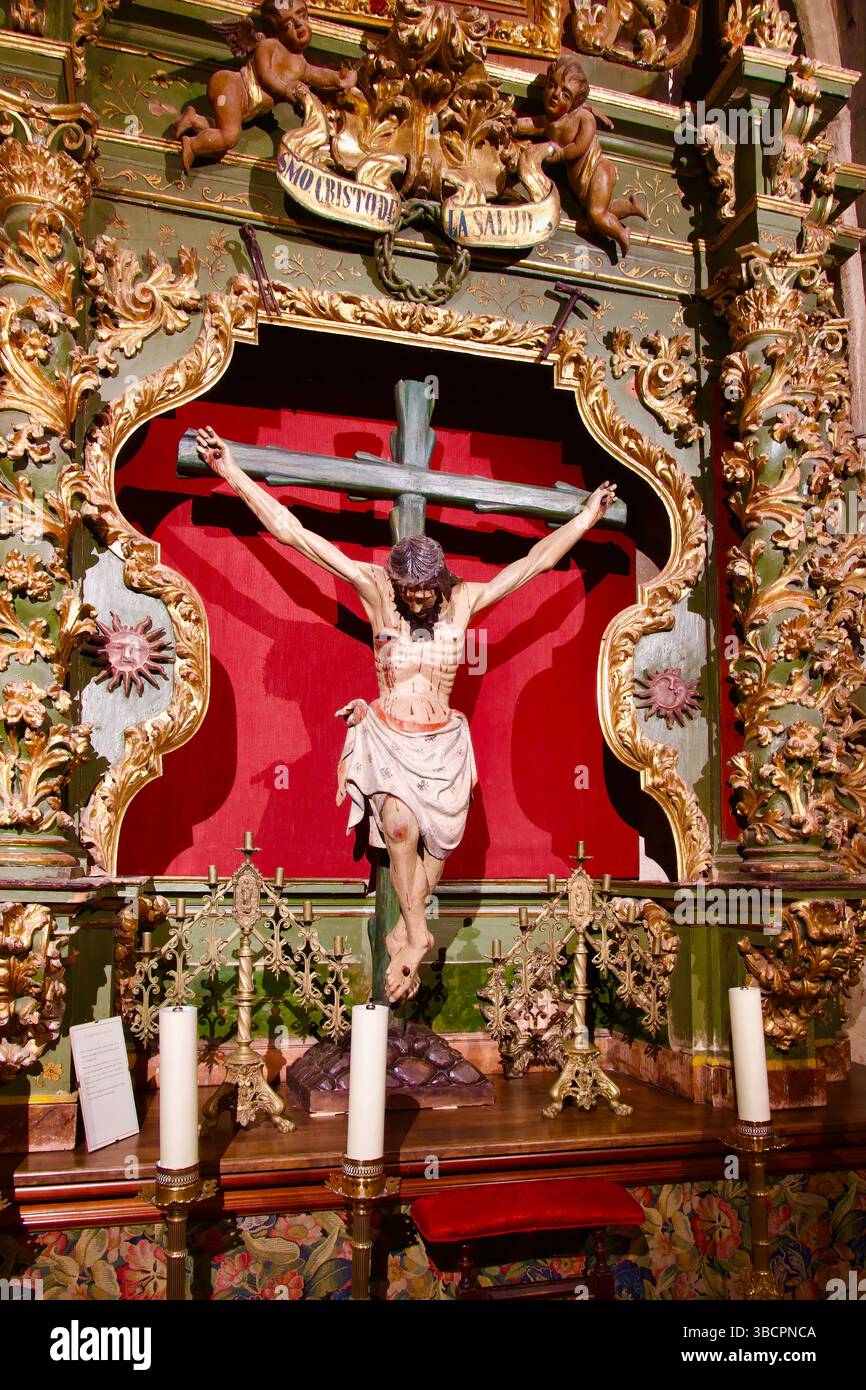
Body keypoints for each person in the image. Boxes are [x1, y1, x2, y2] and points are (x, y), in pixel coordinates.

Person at [195, 424, 617, 1003]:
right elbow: (296, 535)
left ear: (439, 581)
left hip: (444, 744)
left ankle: (402, 934)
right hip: (389, 733)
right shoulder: (376, 591)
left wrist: (586, 518)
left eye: (423, 591)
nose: (414, 600)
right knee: (398, 827)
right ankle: (418, 934)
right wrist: (231, 471)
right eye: (407, 591)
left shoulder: (463, 600)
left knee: (435, 853)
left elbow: (534, 563)